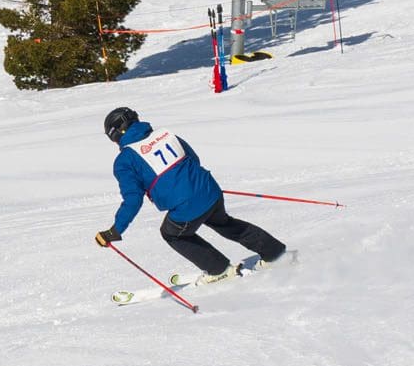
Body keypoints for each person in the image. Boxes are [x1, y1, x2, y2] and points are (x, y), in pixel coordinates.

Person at [94, 107, 288, 284]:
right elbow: (193, 159)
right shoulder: (165, 135)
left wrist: (115, 231)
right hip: (210, 189)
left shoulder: (124, 160)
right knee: (224, 222)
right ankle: (274, 252)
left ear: (117, 133)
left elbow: (133, 199)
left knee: (172, 234)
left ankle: (218, 269)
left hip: (186, 205)